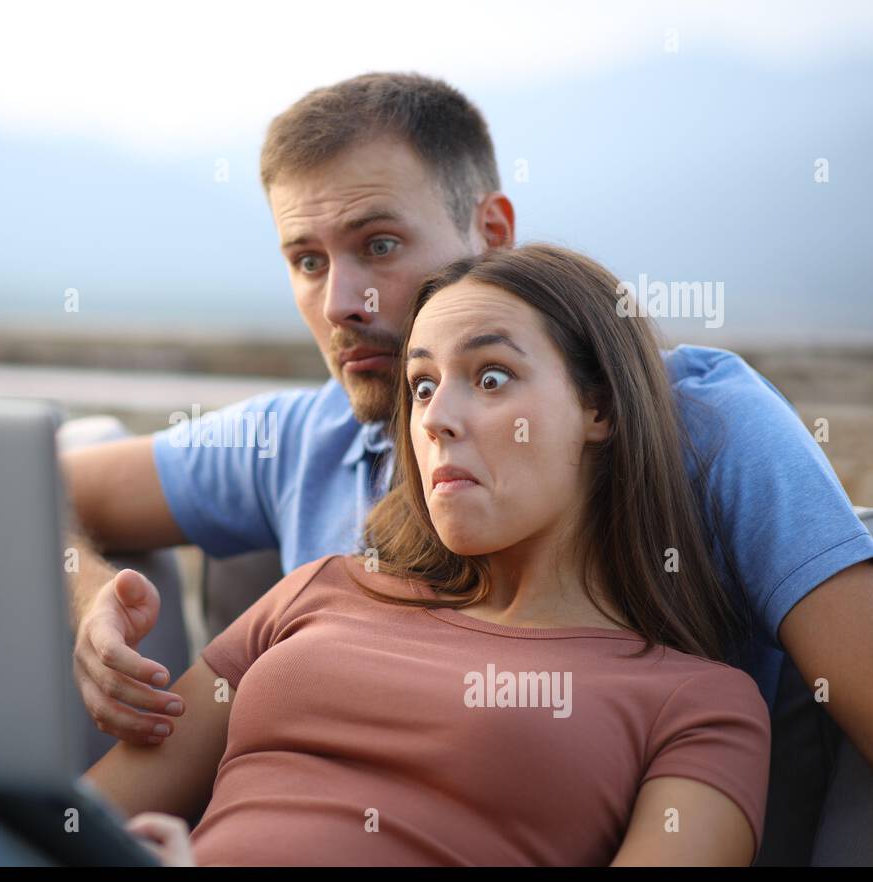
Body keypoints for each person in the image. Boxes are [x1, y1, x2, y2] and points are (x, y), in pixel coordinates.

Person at [0, 244, 771, 866]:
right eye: (419, 385)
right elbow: (90, 813)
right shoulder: (326, 590)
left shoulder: (697, 704)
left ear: (602, 406)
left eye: (491, 375)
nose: (437, 416)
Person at [64, 73, 873, 786]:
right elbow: (46, 483)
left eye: (379, 245)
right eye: (307, 261)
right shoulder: (299, 441)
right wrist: (93, 594)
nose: (344, 301)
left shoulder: (703, 422)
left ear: (491, 231)